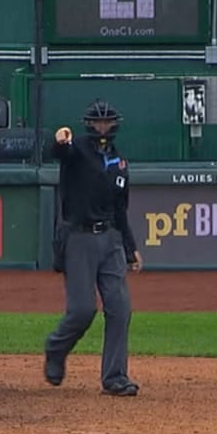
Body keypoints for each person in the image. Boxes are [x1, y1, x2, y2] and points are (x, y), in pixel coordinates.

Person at [43, 99, 141, 397]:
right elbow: (58, 152)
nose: (103, 127)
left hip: (110, 238)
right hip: (79, 237)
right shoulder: (77, 150)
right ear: (89, 124)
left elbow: (120, 208)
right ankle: (56, 348)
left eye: (107, 122)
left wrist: (130, 246)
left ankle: (115, 377)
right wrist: (59, 140)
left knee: (120, 307)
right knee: (83, 310)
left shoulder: (119, 161)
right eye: (98, 122)